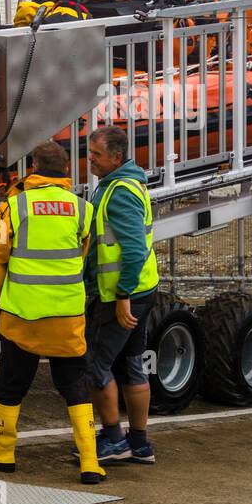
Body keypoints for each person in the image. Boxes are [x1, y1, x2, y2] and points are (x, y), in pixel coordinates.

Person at [0, 141, 106, 484]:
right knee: (75, 384)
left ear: (32, 168)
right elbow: (89, 256)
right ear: (66, 171)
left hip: (23, 317)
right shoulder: (83, 209)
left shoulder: (13, 209)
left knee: (12, 384)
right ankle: (90, 461)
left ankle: (3, 451)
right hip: (68, 317)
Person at [82, 124, 160, 465]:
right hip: (142, 290)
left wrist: (123, 295)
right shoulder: (126, 183)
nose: (90, 161)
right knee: (131, 363)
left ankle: (114, 439)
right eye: (89, 153)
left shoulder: (121, 192)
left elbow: (133, 249)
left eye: (96, 155)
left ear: (116, 157)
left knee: (97, 365)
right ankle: (139, 443)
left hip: (122, 295)